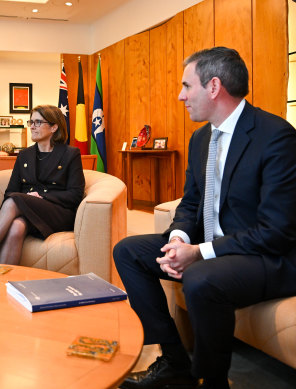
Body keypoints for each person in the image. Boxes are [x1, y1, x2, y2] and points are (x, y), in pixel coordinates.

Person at [114, 47, 296, 389]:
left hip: (268, 257)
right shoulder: (201, 139)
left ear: (213, 87)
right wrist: (179, 240)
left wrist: (199, 253)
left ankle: (213, 381)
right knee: (128, 251)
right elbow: (192, 203)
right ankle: (174, 362)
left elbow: (276, 231)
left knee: (199, 276)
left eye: (187, 86)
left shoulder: (276, 137)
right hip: (217, 248)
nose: (181, 96)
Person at [0, 104, 85, 265]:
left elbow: (75, 194)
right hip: (27, 210)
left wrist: (41, 196)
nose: (32, 127)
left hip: (57, 212)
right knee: (16, 226)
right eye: (31, 122)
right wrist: (26, 199)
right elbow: (11, 191)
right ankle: (2, 282)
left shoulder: (70, 154)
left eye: (37, 122)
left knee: (15, 200)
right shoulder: (24, 155)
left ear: (54, 127)